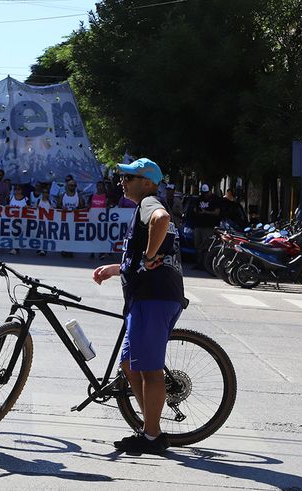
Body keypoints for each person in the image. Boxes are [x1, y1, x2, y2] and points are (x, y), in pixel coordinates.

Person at [92, 158, 185, 455]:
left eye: (129, 177)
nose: (122, 181)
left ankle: (152, 436)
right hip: (147, 297)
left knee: (150, 370)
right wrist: (115, 268)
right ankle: (150, 427)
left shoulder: (149, 203)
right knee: (130, 365)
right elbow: (149, 259)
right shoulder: (142, 206)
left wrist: (146, 257)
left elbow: (161, 220)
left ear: (146, 182)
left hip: (153, 299)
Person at [192, 184, 221, 268]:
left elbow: (217, 212)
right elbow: (195, 209)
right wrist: (197, 212)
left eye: (206, 192)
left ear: (210, 191)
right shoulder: (199, 198)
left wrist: (206, 212)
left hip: (209, 227)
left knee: (207, 245)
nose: (205, 195)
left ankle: (206, 264)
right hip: (198, 225)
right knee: (198, 245)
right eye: (204, 193)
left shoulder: (215, 199)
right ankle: (198, 263)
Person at [8, 185, 28, 255]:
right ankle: (13, 248)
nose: (16, 190)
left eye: (18, 189)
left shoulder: (26, 199)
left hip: (22, 220)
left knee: (19, 234)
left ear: (21, 191)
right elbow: (7, 207)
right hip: (12, 219)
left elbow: (29, 208)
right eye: (15, 189)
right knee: (12, 234)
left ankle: (16, 248)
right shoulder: (11, 197)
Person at [36, 187, 55, 256]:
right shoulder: (38, 201)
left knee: (45, 236)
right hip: (39, 222)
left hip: (47, 223)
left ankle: (43, 249)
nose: (44, 194)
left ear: (48, 194)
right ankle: (39, 249)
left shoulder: (50, 202)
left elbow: (54, 211)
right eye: (43, 192)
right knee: (39, 236)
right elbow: (34, 209)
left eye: (46, 192)